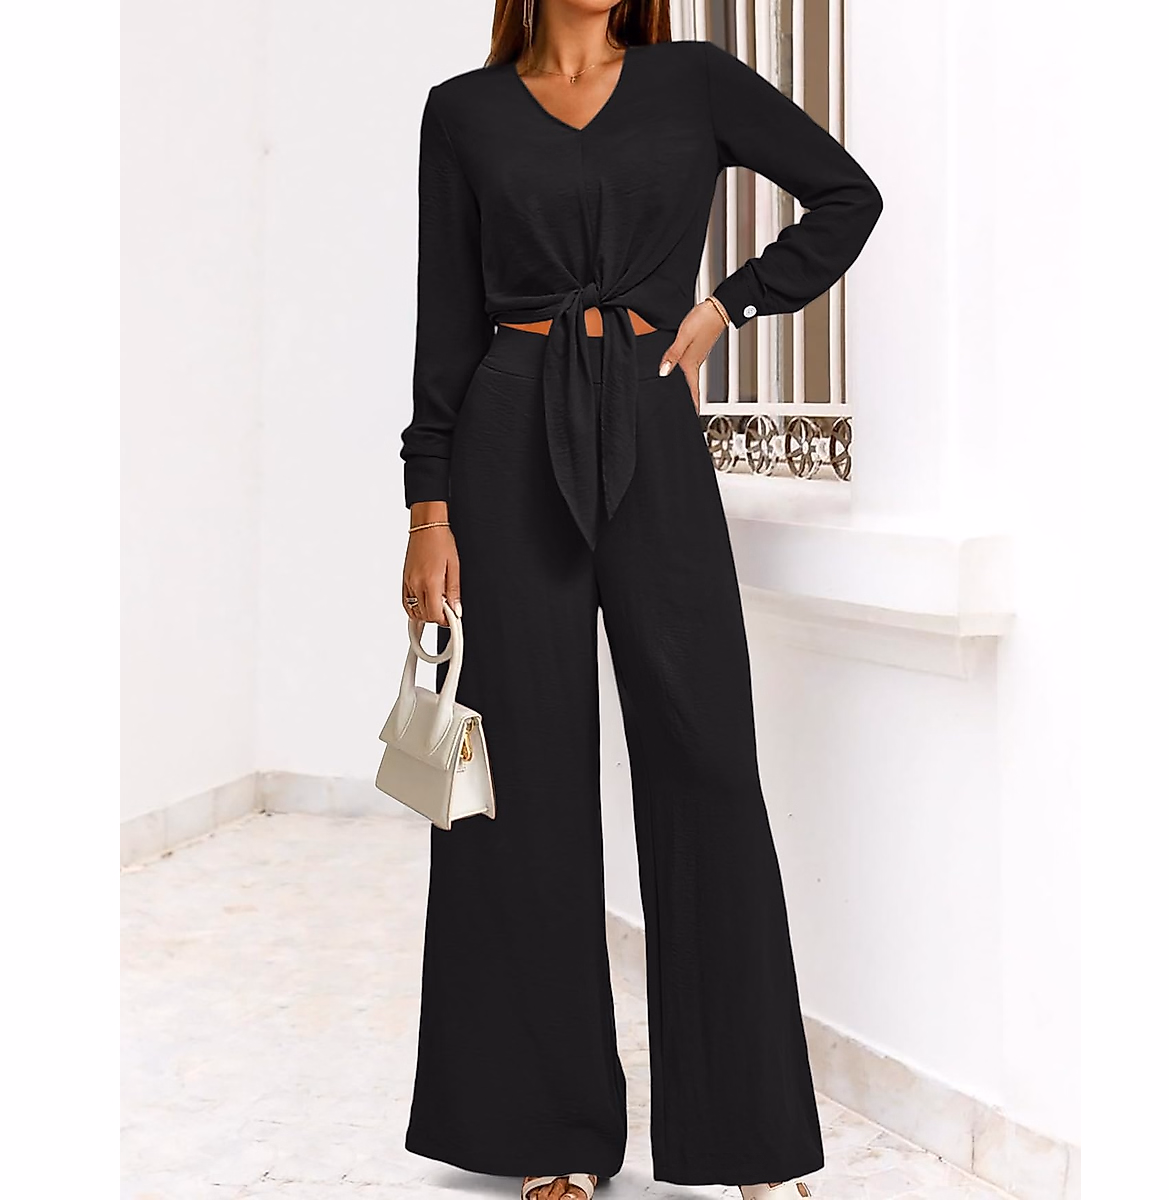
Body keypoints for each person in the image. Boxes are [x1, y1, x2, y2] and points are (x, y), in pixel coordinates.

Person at [398, 2, 883, 1198]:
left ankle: (747, 1136)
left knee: (706, 759)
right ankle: (548, 1136)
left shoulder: (694, 82)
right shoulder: (463, 112)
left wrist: (729, 305)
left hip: (652, 427)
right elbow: (445, 325)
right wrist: (428, 511)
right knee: (521, 784)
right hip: (507, 435)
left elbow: (847, 196)